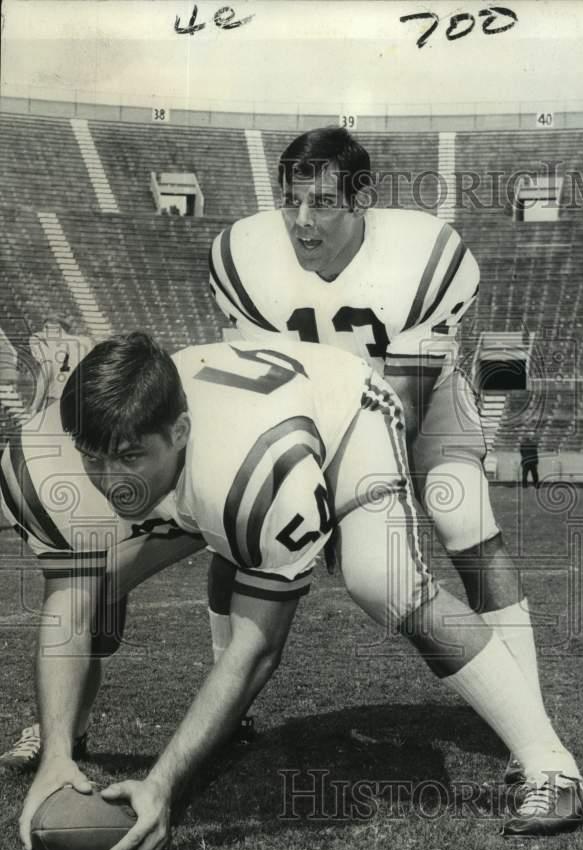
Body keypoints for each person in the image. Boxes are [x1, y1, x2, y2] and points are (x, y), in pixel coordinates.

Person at [4, 332, 583, 850]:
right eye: (93, 456)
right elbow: (70, 612)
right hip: (232, 453)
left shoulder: (250, 471)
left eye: (130, 456)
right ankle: (75, 737)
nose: (112, 482)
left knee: (383, 580)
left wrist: (162, 785)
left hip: (344, 419)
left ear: (178, 431)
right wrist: (56, 757)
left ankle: (553, 766)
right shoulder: (51, 459)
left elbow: (257, 648)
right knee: (98, 578)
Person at [209, 126, 543, 786]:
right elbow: (255, 387)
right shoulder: (242, 257)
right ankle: (228, 713)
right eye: (290, 201)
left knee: (461, 519)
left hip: (417, 399)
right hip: (313, 405)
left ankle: (522, 705)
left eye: (323, 203)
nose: (302, 223)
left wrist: (345, 505)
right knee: (233, 534)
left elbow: (403, 411)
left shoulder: (421, 255)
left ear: (361, 202)